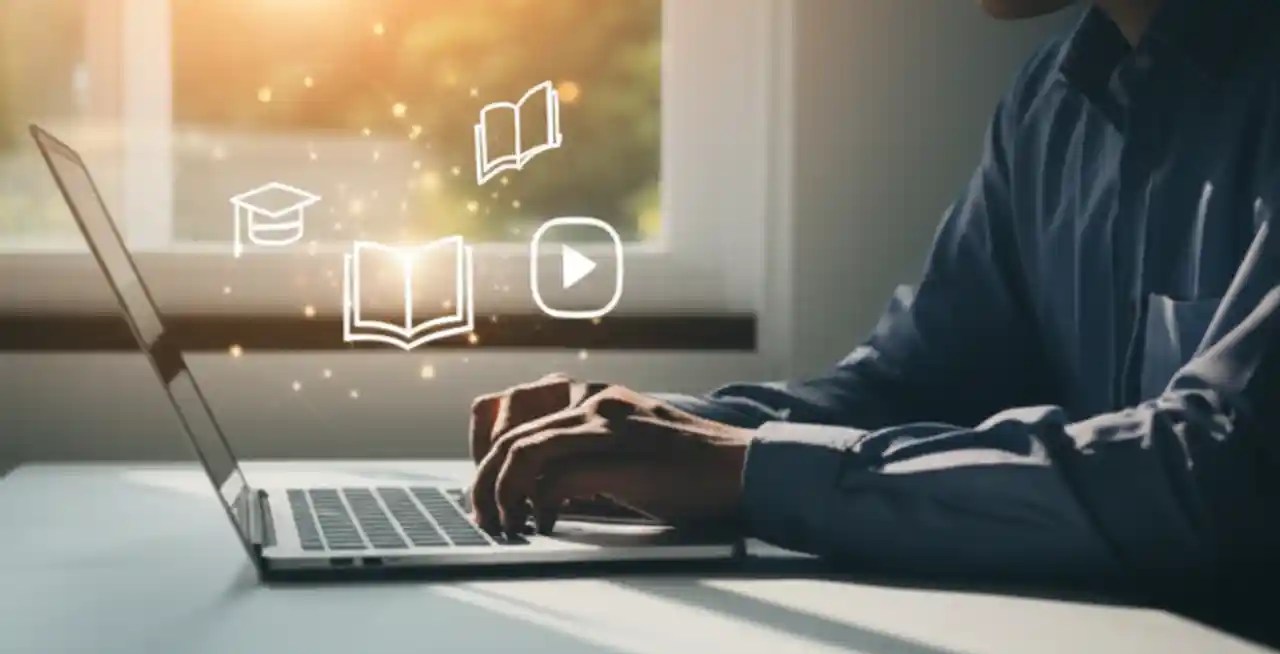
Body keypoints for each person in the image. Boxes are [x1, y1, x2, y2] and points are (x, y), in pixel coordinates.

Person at [466, 0, 1280, 593]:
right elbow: (912, 383)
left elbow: (1217, 474)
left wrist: (745, 470)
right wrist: (660, 430)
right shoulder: (1054, 102)